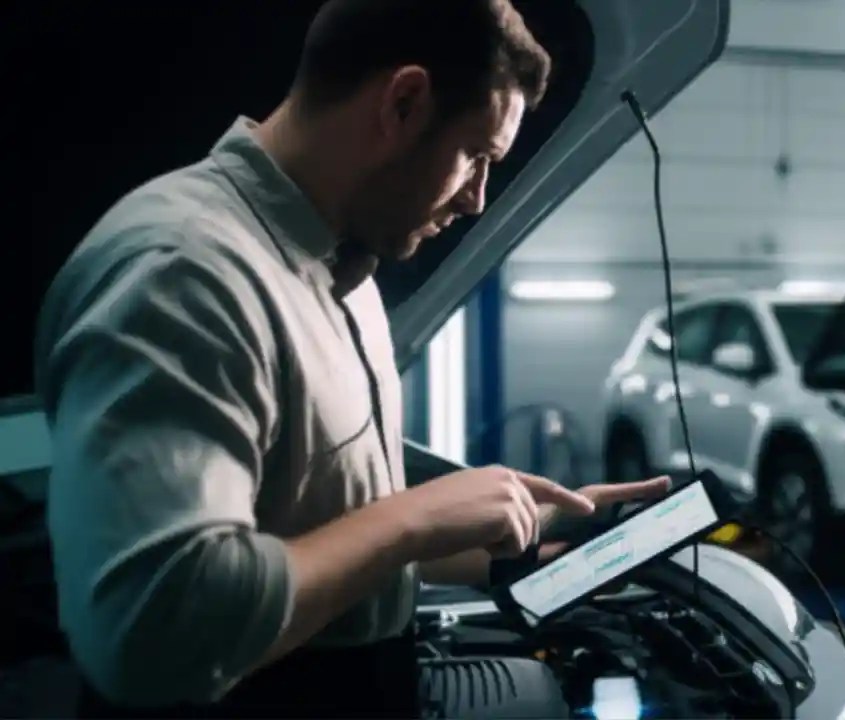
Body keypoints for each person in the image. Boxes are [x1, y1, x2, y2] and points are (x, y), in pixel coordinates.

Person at [32, 1, 671, 717]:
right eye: (478, 157)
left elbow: (325, 533)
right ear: (403, 103)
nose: (477, 201)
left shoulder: (347, 270)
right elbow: (153, 636)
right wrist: (417, 517)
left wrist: (534, 544)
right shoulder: (184, 276)